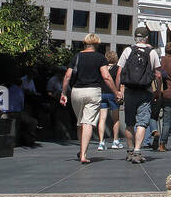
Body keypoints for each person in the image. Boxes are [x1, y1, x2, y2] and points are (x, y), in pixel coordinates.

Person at [59, 34, 118, 163]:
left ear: (85, 43)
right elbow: (106, 76)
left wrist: (63, 93)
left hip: (76, 92)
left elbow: (67, 76)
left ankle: (82, 150)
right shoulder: (100, 58)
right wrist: (115, 92)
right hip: (93, 91)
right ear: (96, 44)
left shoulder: (77, 56)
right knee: (88, 122)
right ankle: (84, 154)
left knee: (80, 122)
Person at [116, 26, 162, 163]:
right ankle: (137, 151)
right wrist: (157, 91)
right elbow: (158, 75)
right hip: (145, 91)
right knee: (142, 122)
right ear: (147, 38)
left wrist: (118, 91)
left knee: (129, 122)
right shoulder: (152, 52)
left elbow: (119, 72)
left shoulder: (128, 50)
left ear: (135, 38)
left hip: (129, 91)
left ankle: (130, 150)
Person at [149, 44, 171, 152]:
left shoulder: (159, 60)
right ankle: (162, 144)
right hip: (169, 95)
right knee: (167, 121)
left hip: (157, 92)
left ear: (165, 50)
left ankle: (155, 131)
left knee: (152, 116)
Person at [97, 48, 124, 151]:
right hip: (113, 94)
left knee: (102, 119)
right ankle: (115, 141)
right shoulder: (117, 68)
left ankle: (101, 142)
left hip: (102, 94)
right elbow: (120, 81)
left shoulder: (101, 68)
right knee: (116, 119)